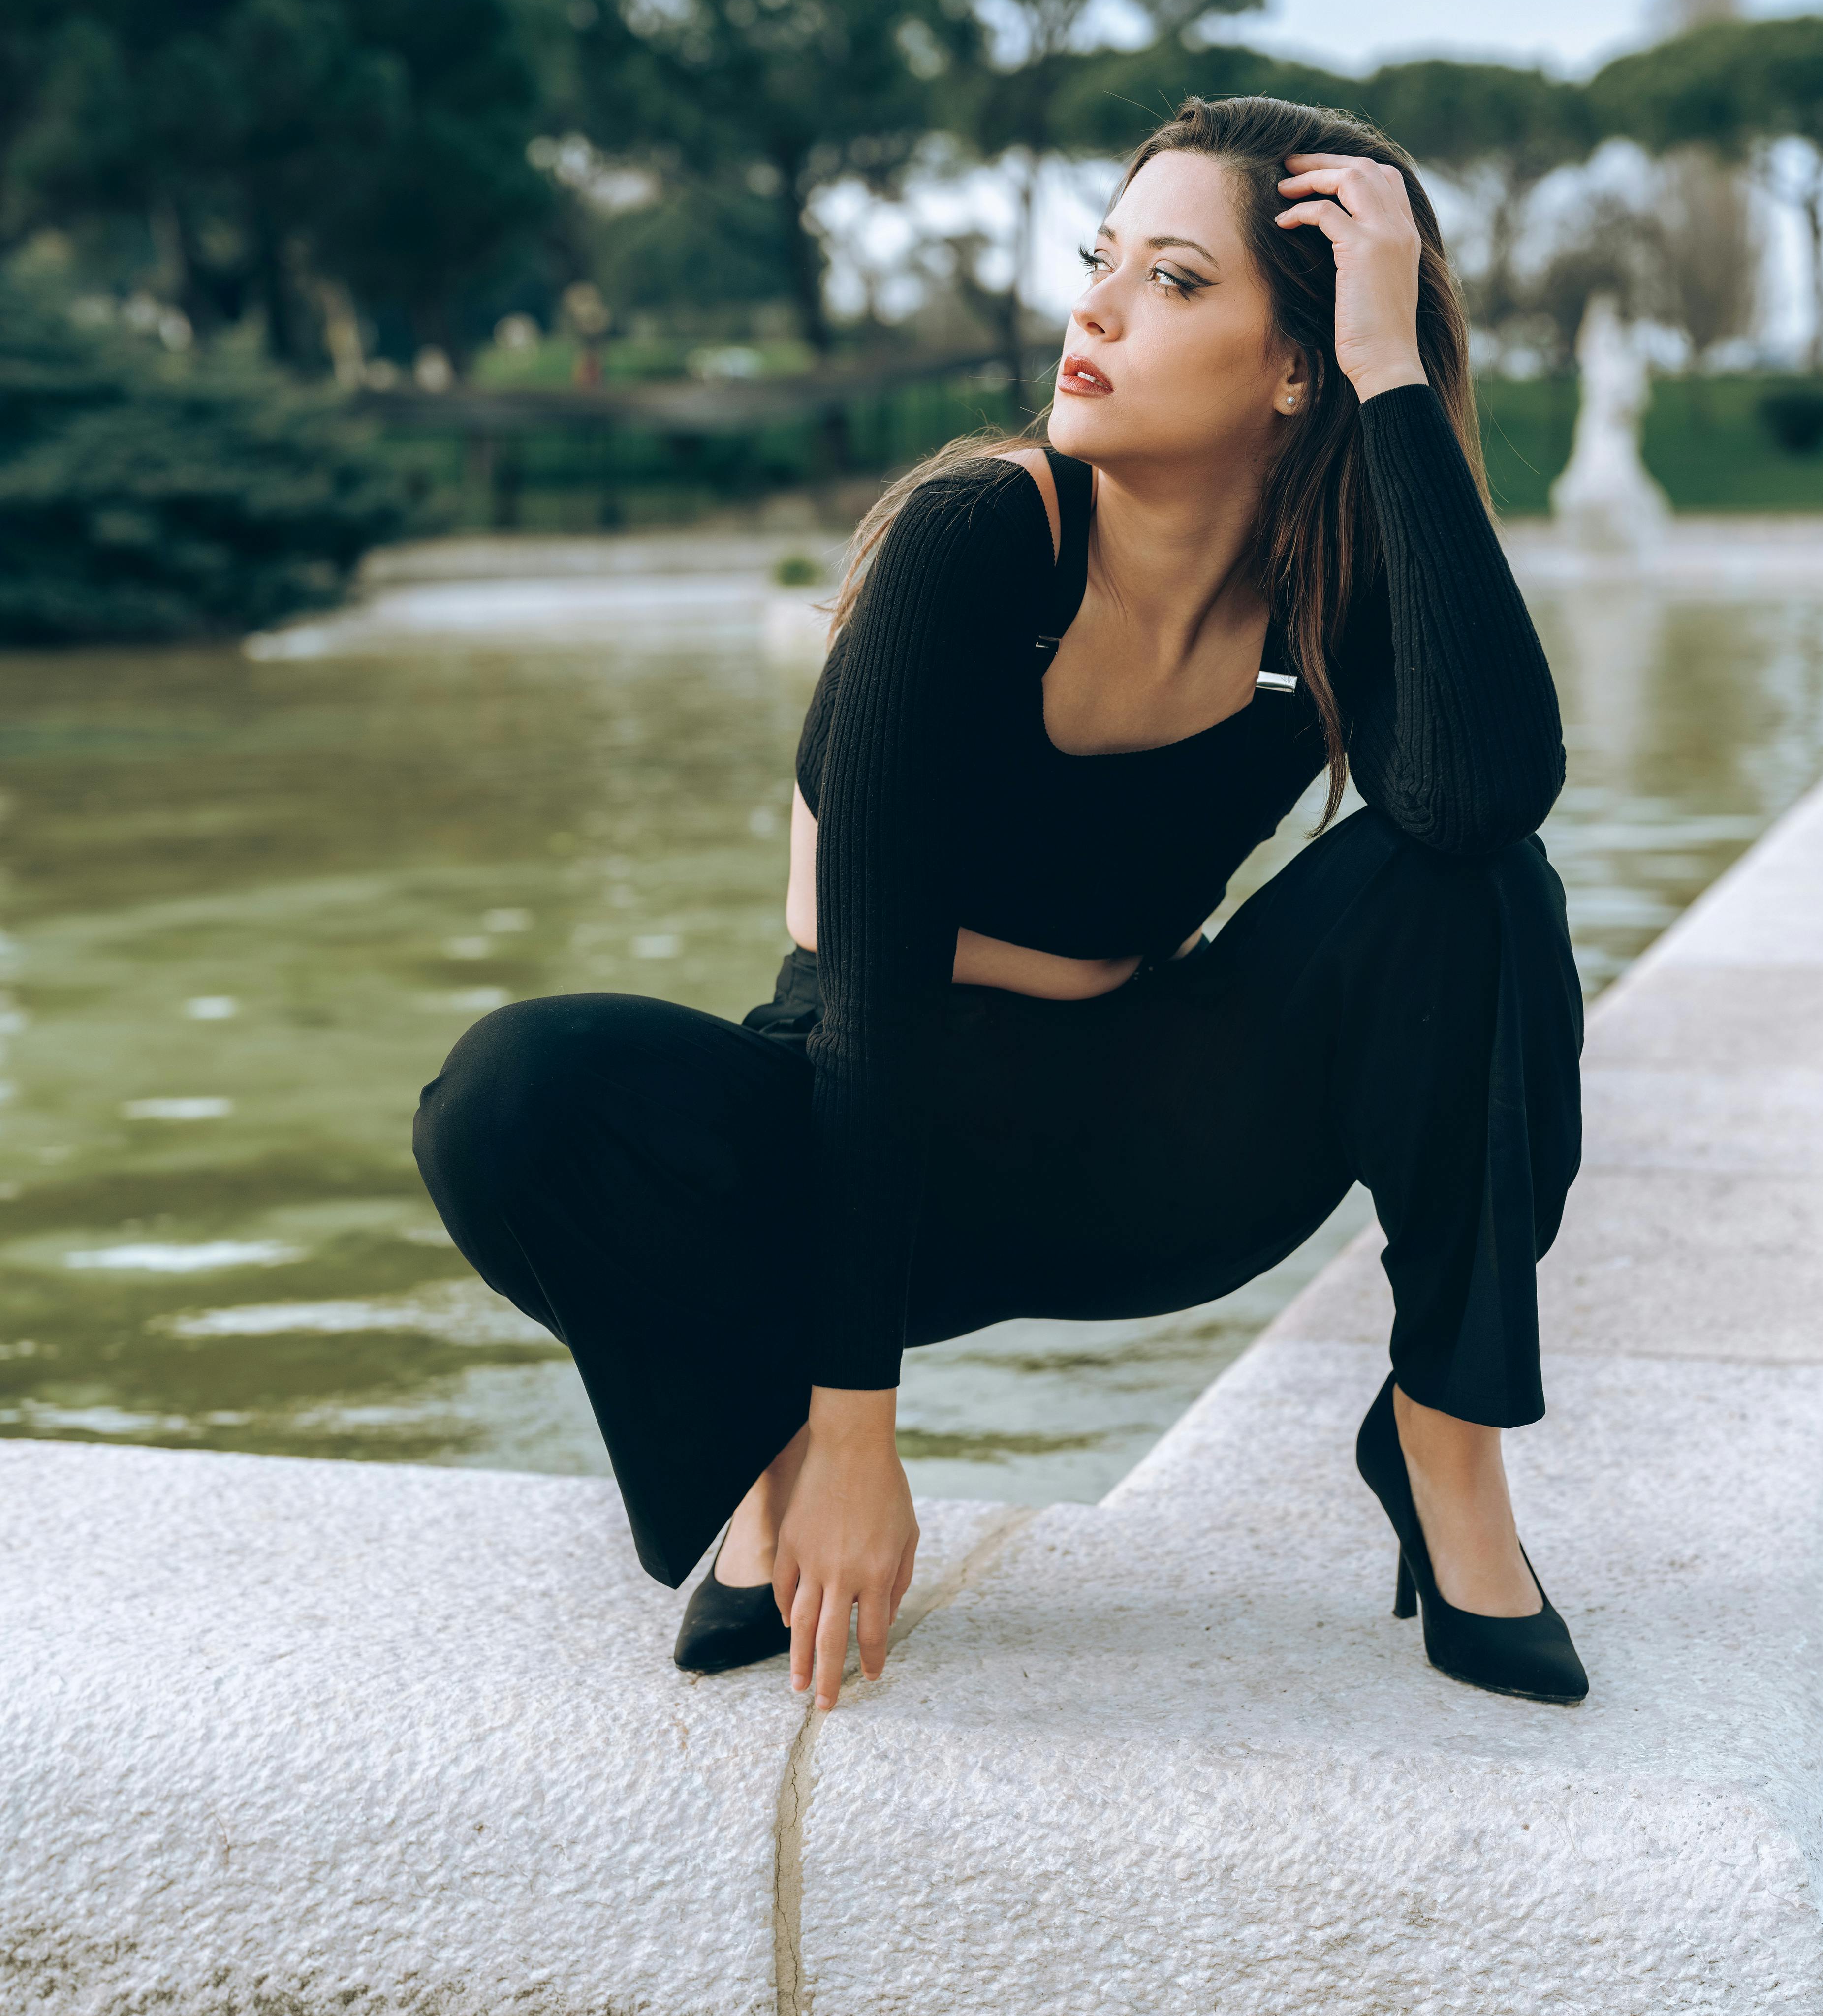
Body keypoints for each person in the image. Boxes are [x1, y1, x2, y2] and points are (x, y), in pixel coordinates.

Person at [413, 96, 1589, 1715]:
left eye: (1174, 282)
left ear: (1292, 364)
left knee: (1473, 888)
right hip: (859, 1127)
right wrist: (850, 1438)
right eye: (1099, 261)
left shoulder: (1324, 602)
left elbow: (1480, 801)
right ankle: (759, 1456)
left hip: (1150, 1151)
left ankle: (1443, 1449)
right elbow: (876, 995)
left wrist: (1392, 370)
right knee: (511, 1097)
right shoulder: (973, 546)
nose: (1092, 311)